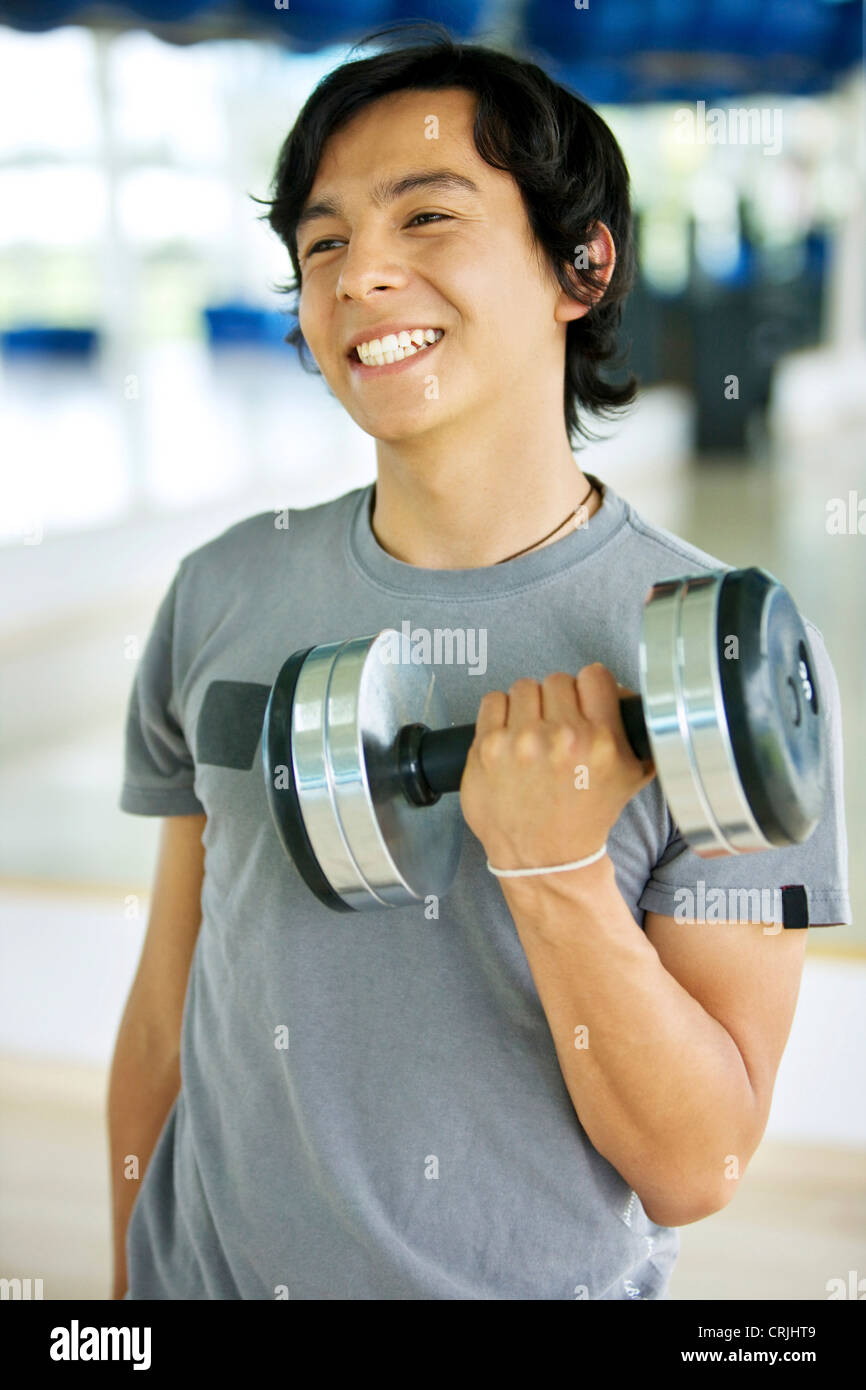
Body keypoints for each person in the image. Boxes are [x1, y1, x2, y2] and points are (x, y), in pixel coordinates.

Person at [109, 23, 850, 1301]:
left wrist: (553, 869)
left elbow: (697, 1161)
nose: (360, 277)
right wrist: (120, 1301)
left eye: (427, 218)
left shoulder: (716, 648)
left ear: (581, 264)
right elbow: (169, 1003)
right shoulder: (221, 592)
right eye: (324, 241)